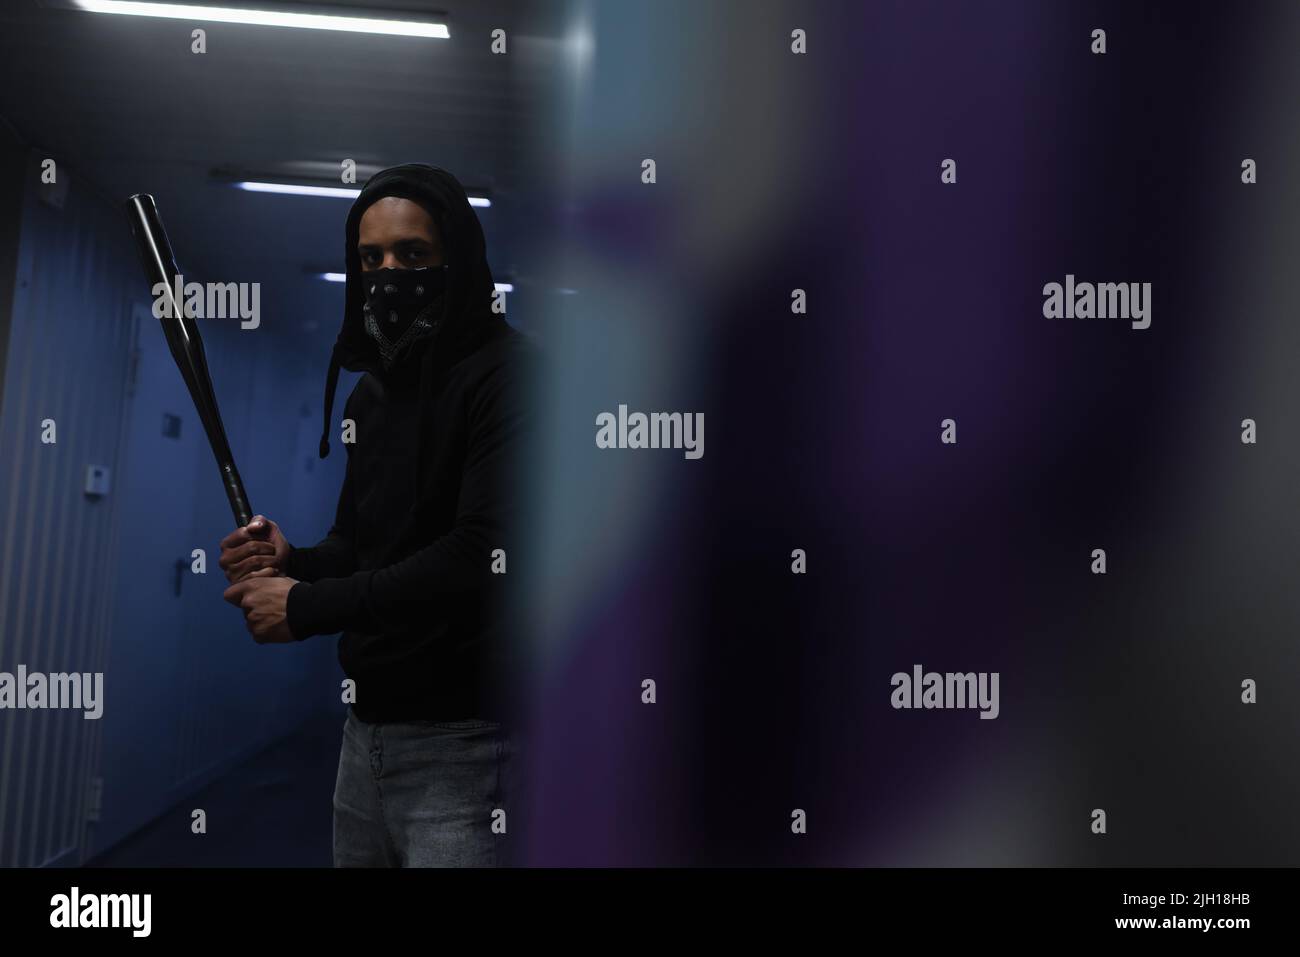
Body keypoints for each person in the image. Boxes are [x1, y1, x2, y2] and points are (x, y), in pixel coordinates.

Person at [218, 164, 537, 867]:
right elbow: (359, 544)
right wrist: (292, 559)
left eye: (412, 255)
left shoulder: (511, 376)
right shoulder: (372, 396)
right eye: (371, 259)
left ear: (456, 257)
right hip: (364, 737)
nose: (389, 273)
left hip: (467, 745)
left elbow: (479, 553)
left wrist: (304, 605)